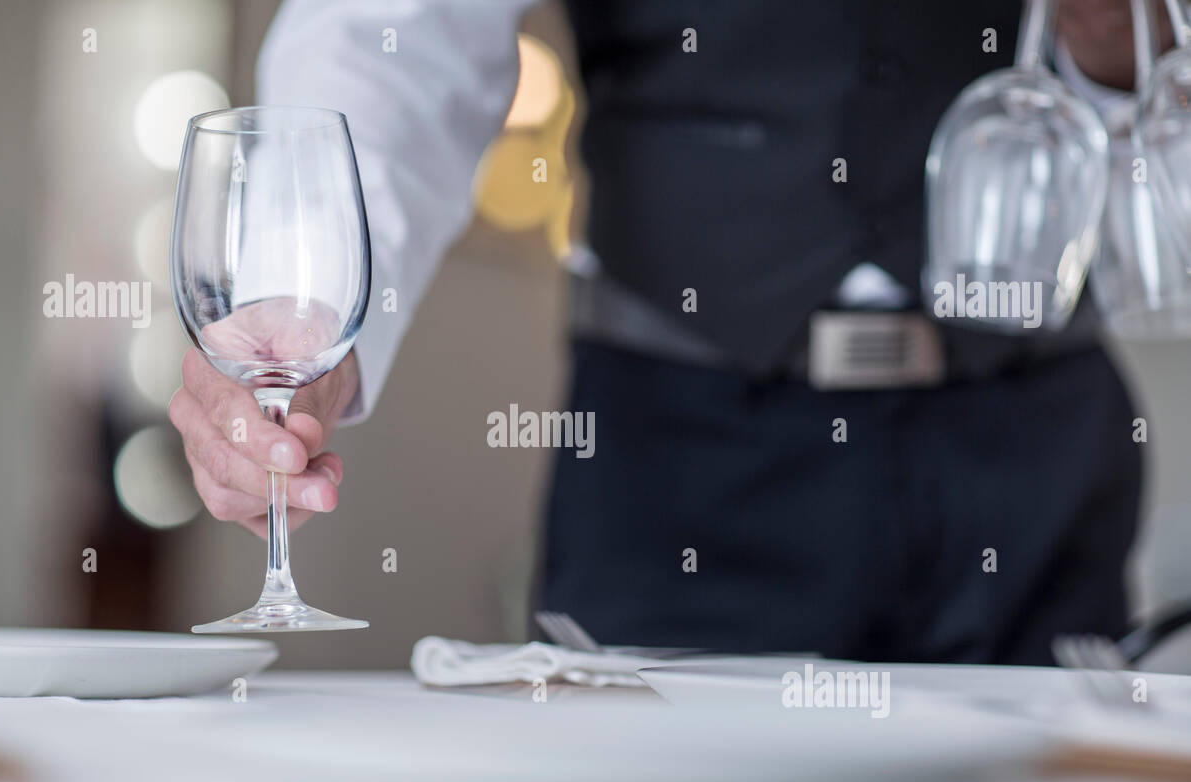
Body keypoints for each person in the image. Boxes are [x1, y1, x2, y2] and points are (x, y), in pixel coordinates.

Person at [169, 0, 1164, 664]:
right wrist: (301, 294)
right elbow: (392, 34)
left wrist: (1118, 54)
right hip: (678, 458)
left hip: (1034, 446)